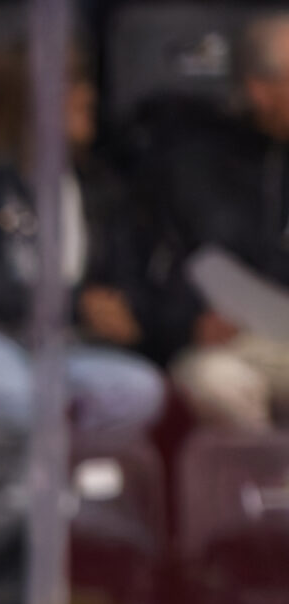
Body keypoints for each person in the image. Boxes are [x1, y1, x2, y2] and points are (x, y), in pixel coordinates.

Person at [0, 41, 166, 443]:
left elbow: (124, 280)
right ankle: (37, 492)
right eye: (72, 86)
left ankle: (73, 480)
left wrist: (124, 312)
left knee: (140, 389)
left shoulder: (97, 190)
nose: (88, 97)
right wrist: (77, 303)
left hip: (61, 351)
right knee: (25, 398)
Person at [151, 13, 289, 427]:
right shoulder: (193, 164)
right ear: (260, 90)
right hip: (223, 343)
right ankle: (266, 486)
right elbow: (156, 269)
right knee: (219, 382)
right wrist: (188, 323)